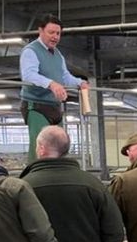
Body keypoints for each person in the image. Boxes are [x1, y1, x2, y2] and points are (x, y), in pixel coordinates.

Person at [19, 14, 90, 162]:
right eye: (51, 32)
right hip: (36, 105)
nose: (55, 37)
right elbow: (29, 75)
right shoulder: (30, 51)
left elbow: (64, 76)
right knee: (41, 147)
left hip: (54, 106)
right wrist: (51, 84)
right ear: (41, 31)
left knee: (58, 145)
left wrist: (79, 82)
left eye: (58, 33)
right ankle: (35, 179)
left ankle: (56, 176)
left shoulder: (57, 54)